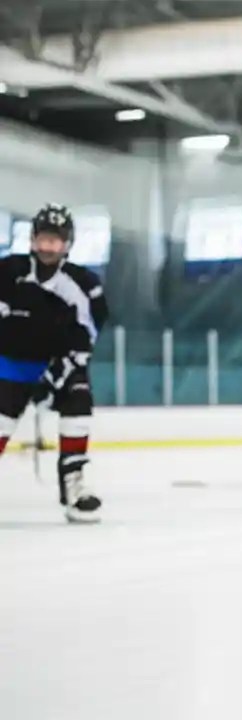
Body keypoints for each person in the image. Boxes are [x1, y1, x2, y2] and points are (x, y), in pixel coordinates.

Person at [0, 203, 109, 523]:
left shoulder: (83, 284)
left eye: (55, 240)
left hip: (59, 365)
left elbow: (87, 334)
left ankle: (73, 489)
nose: (47, 246)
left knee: (79, 403)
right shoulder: (6, 272)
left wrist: (56, 375)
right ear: (32, 240)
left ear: (68, 244)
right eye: (42, 239)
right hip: (9, 364)